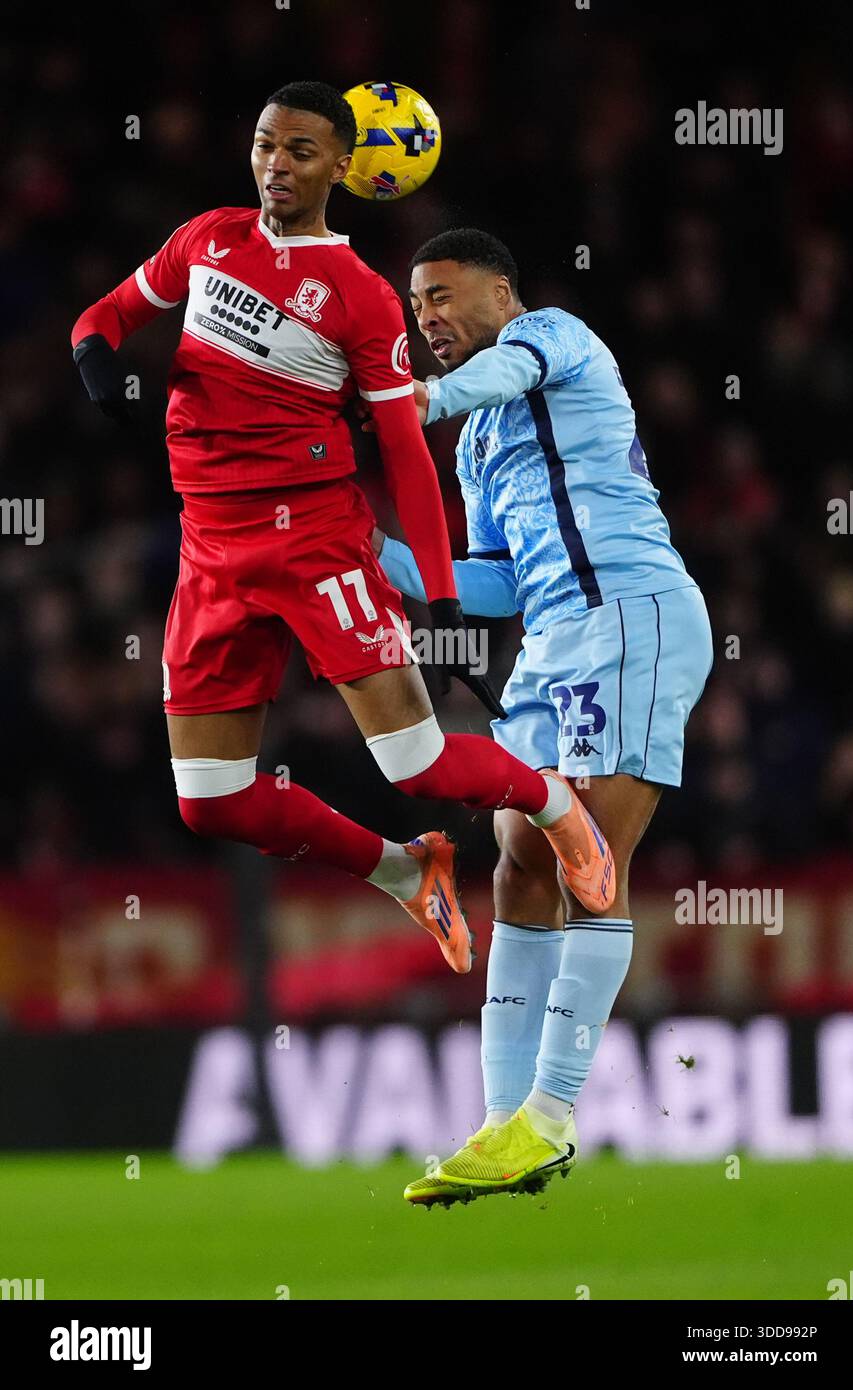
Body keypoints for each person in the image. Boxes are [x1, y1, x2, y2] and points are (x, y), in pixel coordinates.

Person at [70, 86, 613, 978]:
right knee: (211, 803)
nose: (276, 165)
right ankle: (407, 869)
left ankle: (554, 803)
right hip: (210, 548)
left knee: (418, 767)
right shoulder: (208, 238)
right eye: (264, 145)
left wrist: (440, 596)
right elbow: (112, 311)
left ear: (342, 168)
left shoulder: (360, 297)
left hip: (317, 544)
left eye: (300, 152)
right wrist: (93, 350)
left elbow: (404, 455)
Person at [370, 228, 713, 1201]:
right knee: (521, 846)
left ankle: (553, 1117)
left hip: (629, 613)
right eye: (415, 304)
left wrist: (410, 403)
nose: (425, 318)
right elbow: (495, 582)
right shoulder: (477, 446)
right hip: (555, 639)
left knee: (589, 851)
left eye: (441, 295)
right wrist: (376, 554)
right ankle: (501, 1122)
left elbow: (486, 376)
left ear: (501, 290)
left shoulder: (557, 340)